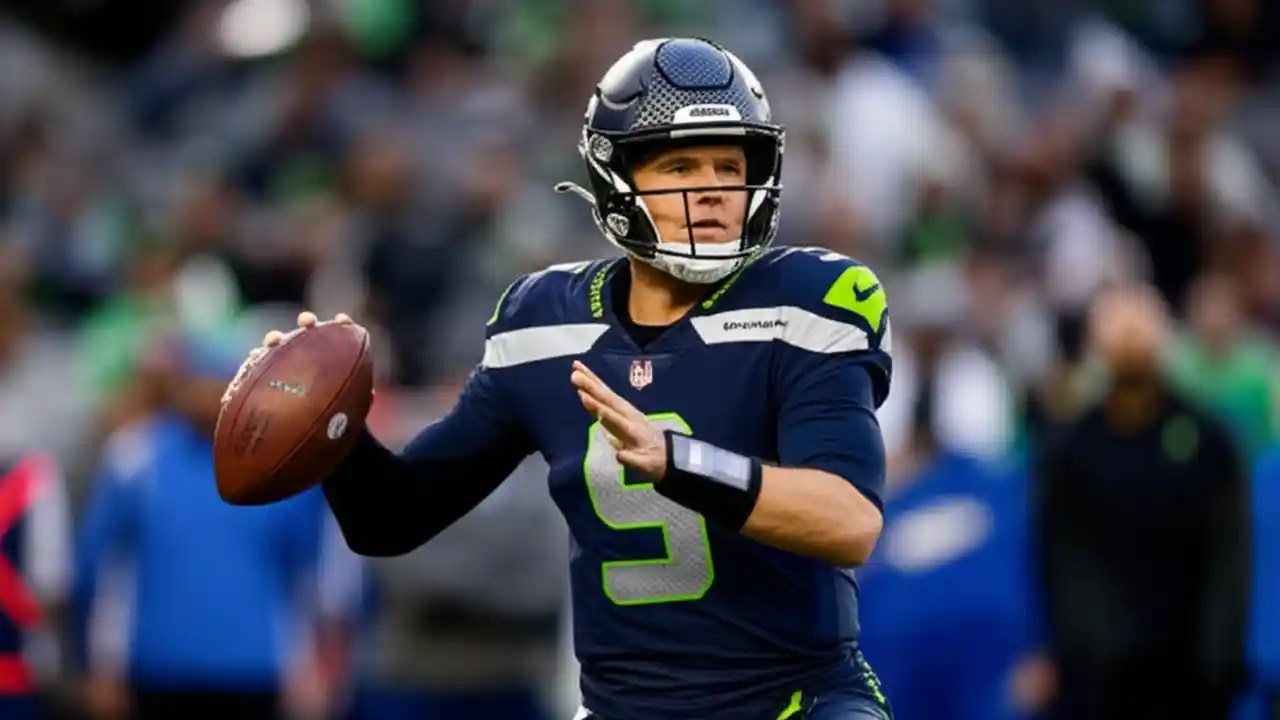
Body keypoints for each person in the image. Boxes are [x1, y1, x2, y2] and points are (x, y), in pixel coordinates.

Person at [259, 38, 894, 719]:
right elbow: (391, 519)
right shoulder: (545, 323)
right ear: (615, 179)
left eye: (730, 166)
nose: (713, 189)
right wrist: (332, 427)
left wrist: (678, 462)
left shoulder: (806, 302)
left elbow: (849, 522)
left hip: (796, 700)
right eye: (681, 165)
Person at [1034, 284, 1249, 720]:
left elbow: (1228, 559)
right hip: (1098, 679)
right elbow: (1059, 563)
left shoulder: (1207, 442)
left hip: (1189, 675)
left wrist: (1220, 661)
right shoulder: (1072, 450)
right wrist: (1077, 653)